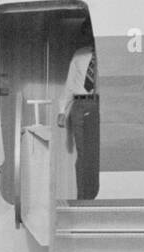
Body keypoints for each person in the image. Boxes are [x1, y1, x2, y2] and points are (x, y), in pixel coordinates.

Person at [57, 23, 99, 199]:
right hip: (81, 105)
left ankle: (98, 194)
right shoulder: (80, 54)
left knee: (97, 152)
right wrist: (62, 110)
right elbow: (69, 84)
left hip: (100, 104)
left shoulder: (109, 53)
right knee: (83, 154)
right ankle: (83, 197)